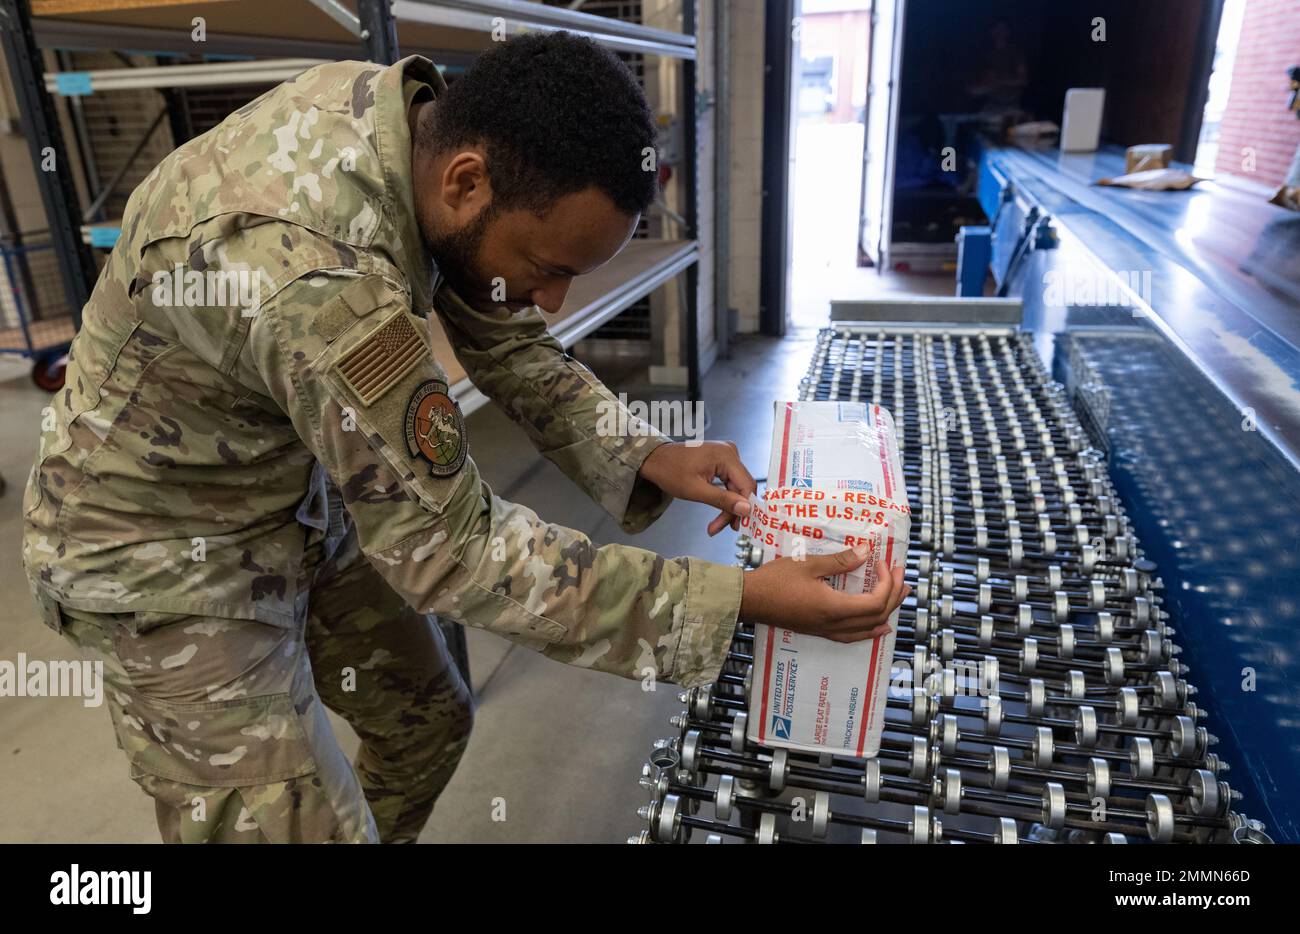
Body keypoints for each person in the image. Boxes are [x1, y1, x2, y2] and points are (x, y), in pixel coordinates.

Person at [22, 32, 908, 843]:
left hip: (286, 492)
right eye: (549, 268)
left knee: (424, 722)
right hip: (158, 556)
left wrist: (647, 452)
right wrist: (739, 599)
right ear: (466, 183)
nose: (553, 301)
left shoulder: (411, 136)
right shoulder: (315, 273)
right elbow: (461, 554)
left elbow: (502, 329)